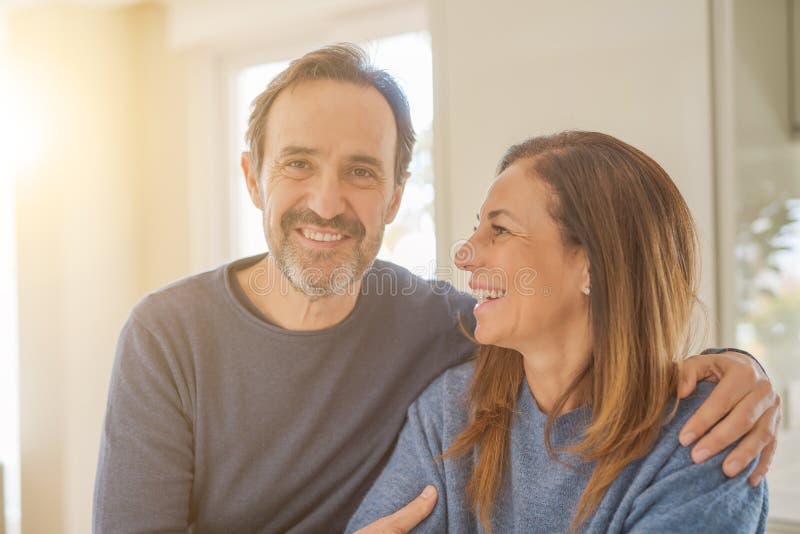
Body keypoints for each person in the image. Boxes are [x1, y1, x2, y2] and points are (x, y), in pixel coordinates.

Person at [93, 45, 779, 533]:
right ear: (253, 178)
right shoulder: (168, 335)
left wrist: (741, 371)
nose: (327, 203)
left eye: (361, 172)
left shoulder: (446, 331)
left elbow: (602, 341)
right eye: (298, 164)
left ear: (393, 196)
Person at [347, 132, 769, 533]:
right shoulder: (451, 411)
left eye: (500, 230)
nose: (463, 254)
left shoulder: (711, 434)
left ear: (592, 267)